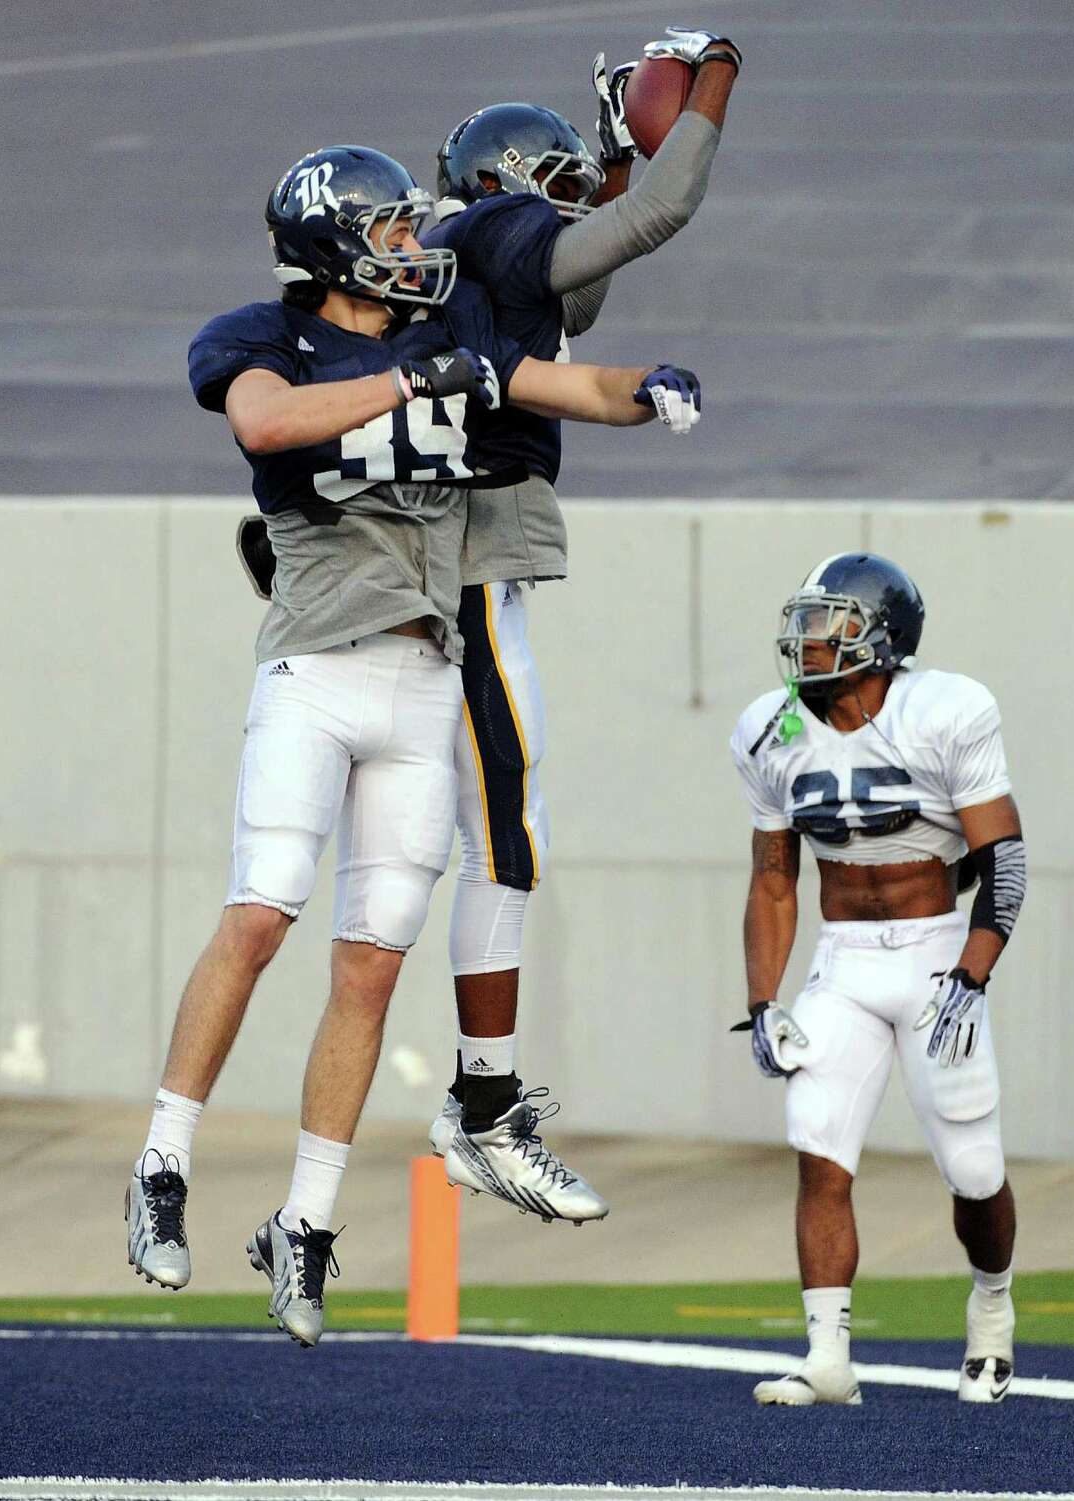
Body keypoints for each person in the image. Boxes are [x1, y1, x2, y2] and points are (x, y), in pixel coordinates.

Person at [124, 143, 700, 1345]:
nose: (412, 243)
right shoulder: (264, 336)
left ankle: (304, 1223)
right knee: (262, 912)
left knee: (374, 962)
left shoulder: (444, 335)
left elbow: (563, 385)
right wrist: (404, 383)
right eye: (388, 228)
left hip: (425, 678)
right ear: (331, 241)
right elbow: (266, 422)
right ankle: (163, 1162)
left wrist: (649, 388)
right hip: (315, 668)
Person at [418, 26, 741, 1210]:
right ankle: (484, 1105)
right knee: (503, 836)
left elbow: (577, 307)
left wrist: (605, 156)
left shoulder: (464, 254)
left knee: (404, 871)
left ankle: (460, 1109)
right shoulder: (492, 231)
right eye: (552, 187)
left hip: (444, 564)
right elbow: (651, 220)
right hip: (464, 569)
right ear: (507, 186)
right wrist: (715, 81)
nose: (567, 209)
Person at [729, 553, 1025, 1405]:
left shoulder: (945, 711)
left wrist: (972, 973)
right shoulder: (772, 728)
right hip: (846, 959)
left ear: (882, 637)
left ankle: (993, 1307)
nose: (808, 641)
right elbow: (774, 879)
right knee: (818, 1145)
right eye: (807, 623)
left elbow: (1003, 860)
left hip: (935, 953)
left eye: (830, 624)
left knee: (973, 1168)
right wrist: (763, 1000)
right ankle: (828, 1355)